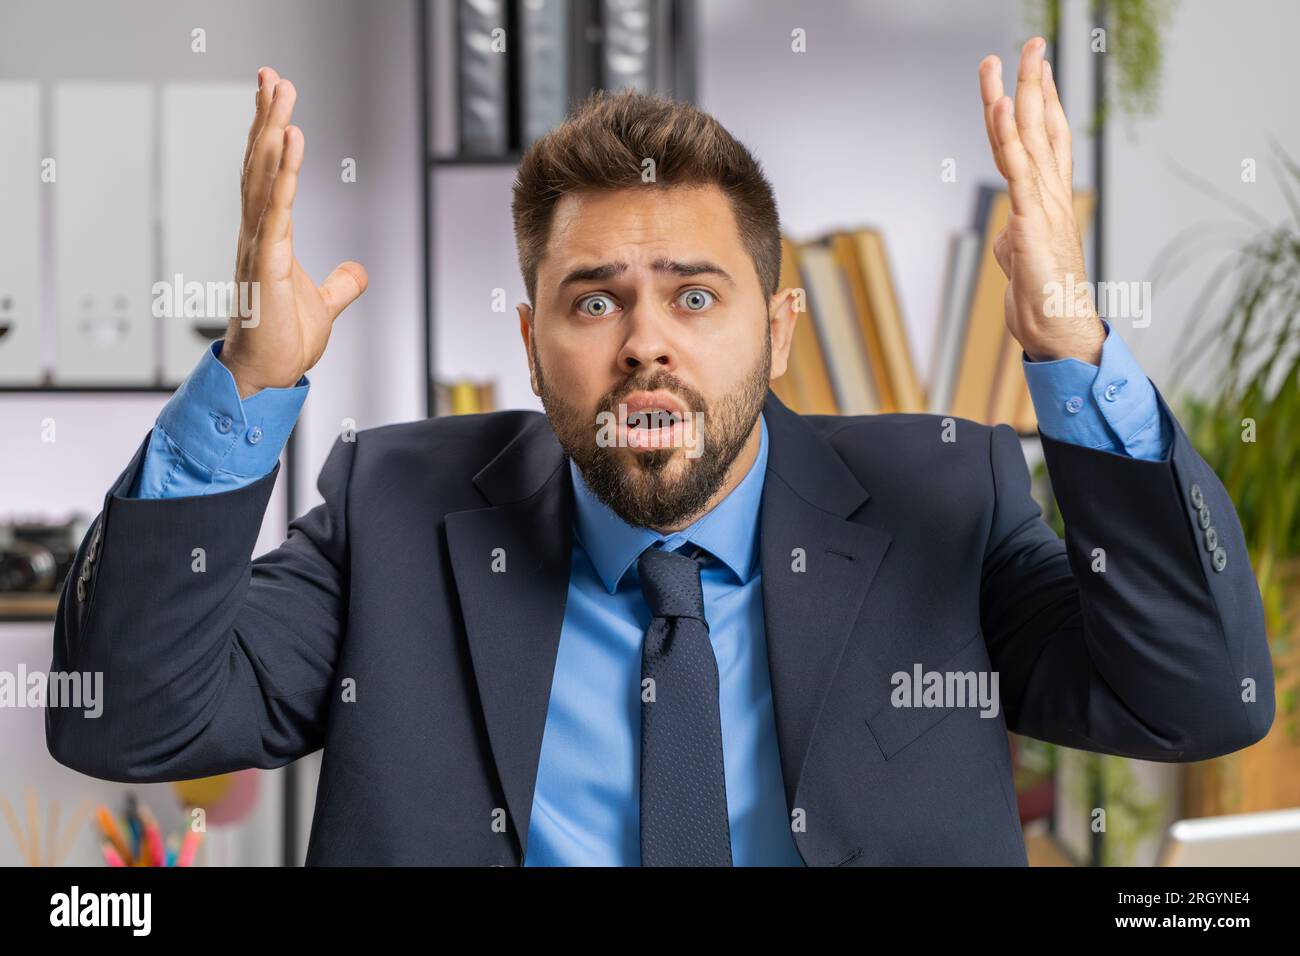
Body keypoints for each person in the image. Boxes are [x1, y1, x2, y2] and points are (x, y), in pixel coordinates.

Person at [47, 38, 1273, 866]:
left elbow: (1193, 696)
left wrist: (1070, 345)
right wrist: (250, 381)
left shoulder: (942, 493)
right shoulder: (398, 511)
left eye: (696, 297)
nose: (645, 344)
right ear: (529, 346)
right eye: (593, 302)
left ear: (778, 329)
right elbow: (124, 721)